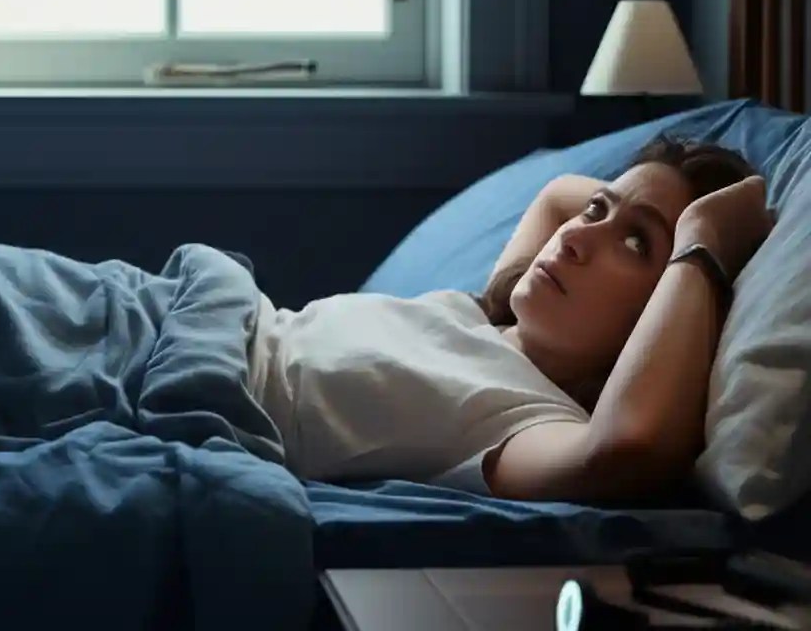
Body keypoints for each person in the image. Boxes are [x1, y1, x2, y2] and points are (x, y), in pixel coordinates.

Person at [244, 137, 775, 503]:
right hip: (207, 315)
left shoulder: (526, 420)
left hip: (210, 386)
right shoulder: (489, 313)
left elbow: (627, 448)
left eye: (635, 243)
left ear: (661, 311)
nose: (572, 236)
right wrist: (636, 206)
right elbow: (555, 193)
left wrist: (701, 241)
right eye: (594, 211)